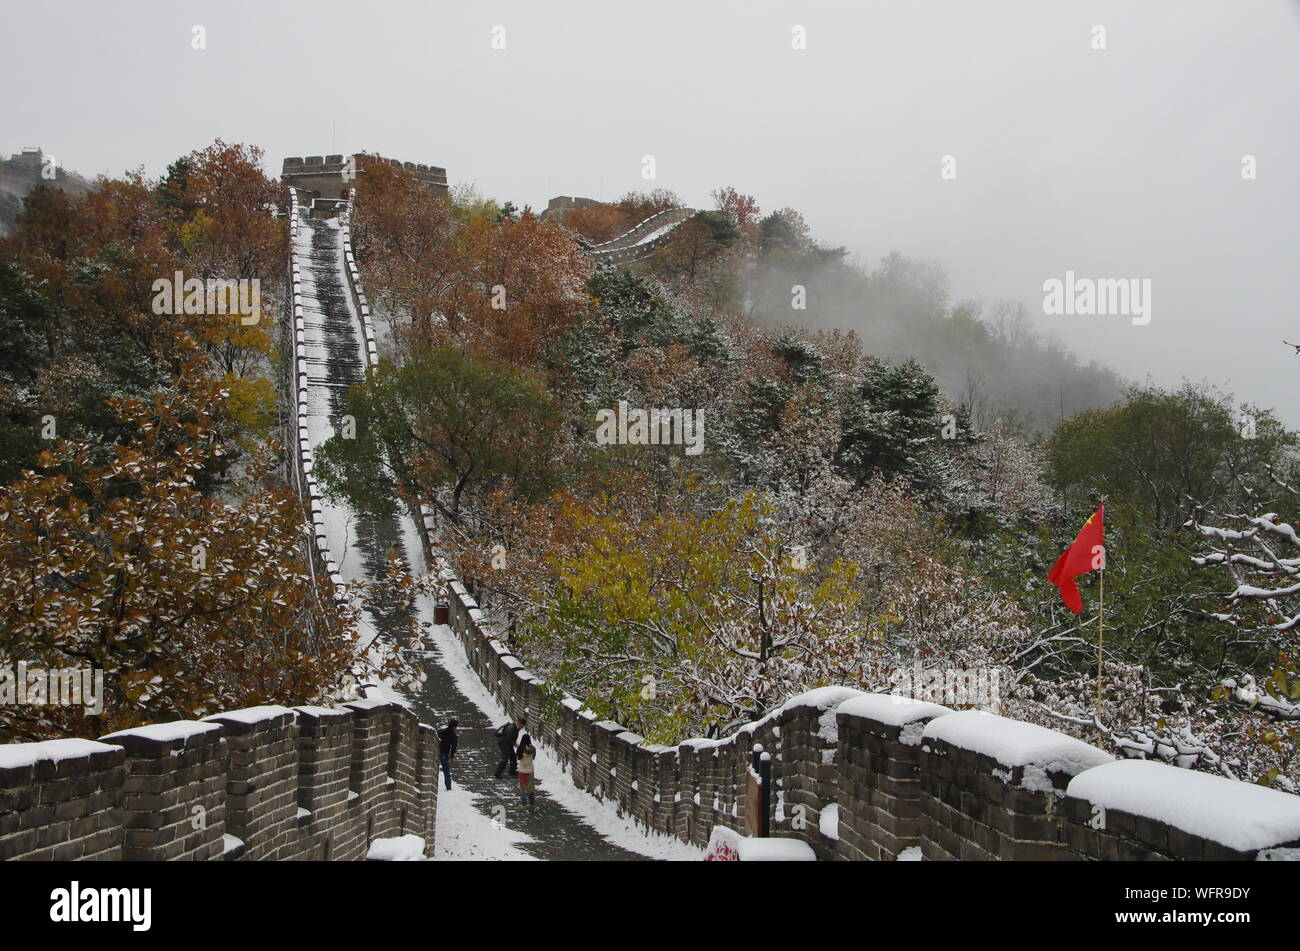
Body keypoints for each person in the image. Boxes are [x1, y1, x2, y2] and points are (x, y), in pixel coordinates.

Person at [516, 732, 537, 809]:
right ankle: (532, 804)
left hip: (522, 771)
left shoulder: (520, 749)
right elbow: (533, 757)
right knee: (530, 788)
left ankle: (524, 804)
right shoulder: (533, 749)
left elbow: (518, 758)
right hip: (530, 770)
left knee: (523, 789)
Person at [437, 718, 458, 791]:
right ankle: (448, 788)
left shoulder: (442, 732)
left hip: (437, 751)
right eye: (456, 727)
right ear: (454, 727)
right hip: (444, 754)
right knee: (446, 771)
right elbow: (453, 748)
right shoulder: (453, 736)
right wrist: (451, 758)